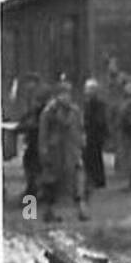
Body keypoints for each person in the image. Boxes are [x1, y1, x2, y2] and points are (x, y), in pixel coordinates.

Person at [37, 79, 88, 221]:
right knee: (51, 182)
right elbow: (43, 133)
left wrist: (82, 142)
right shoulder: (49, 112)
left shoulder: (75, 110)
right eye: (63, 93)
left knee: (78, 179)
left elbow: (80, 127)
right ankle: (48, 211)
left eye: (68, 93)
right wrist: (44, 151)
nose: (66, 97)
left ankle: (81, 210)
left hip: (72, 149)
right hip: (55, 152)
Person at [81, 79, 109, 189]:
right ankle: (93, 179)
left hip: (95, 135)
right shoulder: (86, 103)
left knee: (95, 157)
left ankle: (98, 180)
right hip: (90, 134)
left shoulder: (99, 104)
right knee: (89, 157)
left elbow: (101, 120)